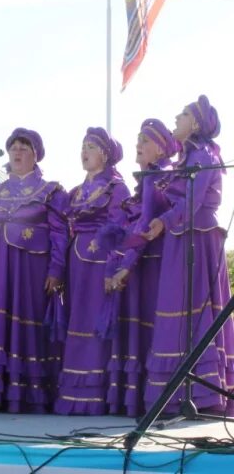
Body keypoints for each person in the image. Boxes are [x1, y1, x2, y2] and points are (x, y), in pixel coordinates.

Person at [142, 95, 234, 414]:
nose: (176, 120)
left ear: (194, 122)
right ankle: (178, 395)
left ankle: (204, 395)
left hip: (198, 236)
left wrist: (162, 221)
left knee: (197, 312)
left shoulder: (204, 155)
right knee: (175, 312)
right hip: (180, 237)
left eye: (181, 115)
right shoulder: (185, 159)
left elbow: (192, 202)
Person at [0, 129, 69, 413]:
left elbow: (60, 233)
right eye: (13, 147)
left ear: (35, 154)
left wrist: (57, 269)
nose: (17, 151)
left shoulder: (50, 190)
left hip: (30, 269)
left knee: (25, 325)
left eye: (24, 147)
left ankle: (26, 395)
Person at [105, 119, 178, 416]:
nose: (138, 145)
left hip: (150, 263)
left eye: (144, 141)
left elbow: (147, 221)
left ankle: (147, 401)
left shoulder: (154, 178)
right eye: (137, 139)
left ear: (161, 149)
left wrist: (125, 266)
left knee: (148, 328)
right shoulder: (162, 177)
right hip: (156, 260)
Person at [54, 128, 129, 415]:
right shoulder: (74, 192)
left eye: (91, 147)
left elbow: (119, 231)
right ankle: (72, 395)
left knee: (94, 322)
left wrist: (113, 267)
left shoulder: (116, 188)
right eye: (82, 146)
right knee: (76, 318)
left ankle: (96, 395)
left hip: (99, 264)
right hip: (76, 262)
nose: (84, 152)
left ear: (105, 154)